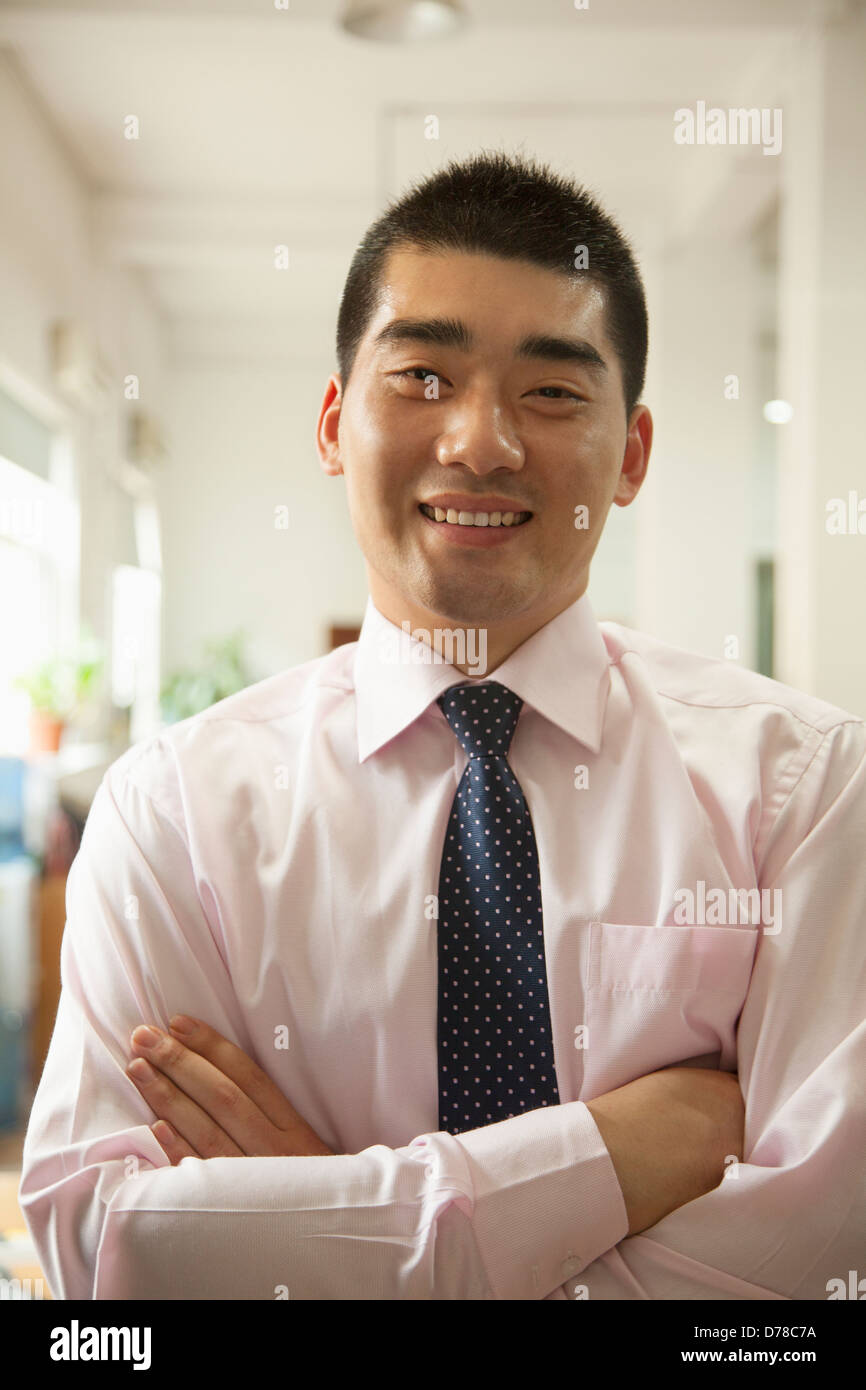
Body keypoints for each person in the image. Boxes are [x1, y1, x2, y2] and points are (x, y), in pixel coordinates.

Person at [19, 151, 865, 1301]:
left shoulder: (799, 788)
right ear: (332, 423)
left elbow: (815, 1268)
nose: (479, 441)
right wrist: (608, 1157)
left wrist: (328, 1216)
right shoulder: (175, 811)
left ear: (630, 455)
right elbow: (105, 1245)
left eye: (552, 391)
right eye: (422, 375)